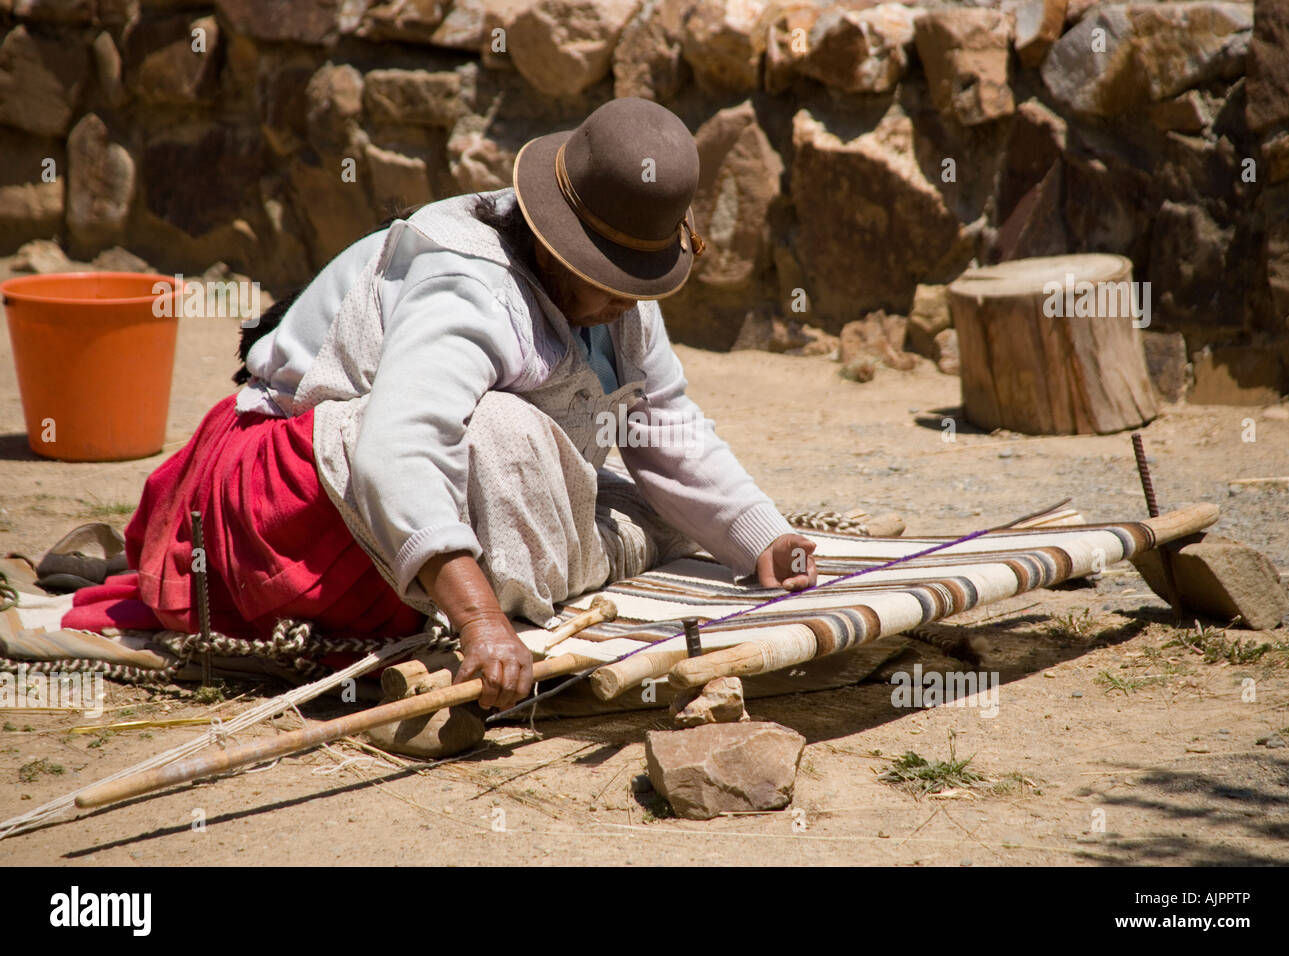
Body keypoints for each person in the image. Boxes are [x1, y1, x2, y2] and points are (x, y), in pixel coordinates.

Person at [65, 97, 817, 710]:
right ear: (558, 242)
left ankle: (589, 541)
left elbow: (660, 422)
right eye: (610, 277)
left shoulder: (619, 301)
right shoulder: (470, 284)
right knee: (509, 434)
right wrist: (481, 622)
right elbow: (399, 448)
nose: (627, 299)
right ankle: (568, 558)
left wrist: (760, 540)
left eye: (638, 280)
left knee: (600, 479)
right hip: (296, 510)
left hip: (427, 493)